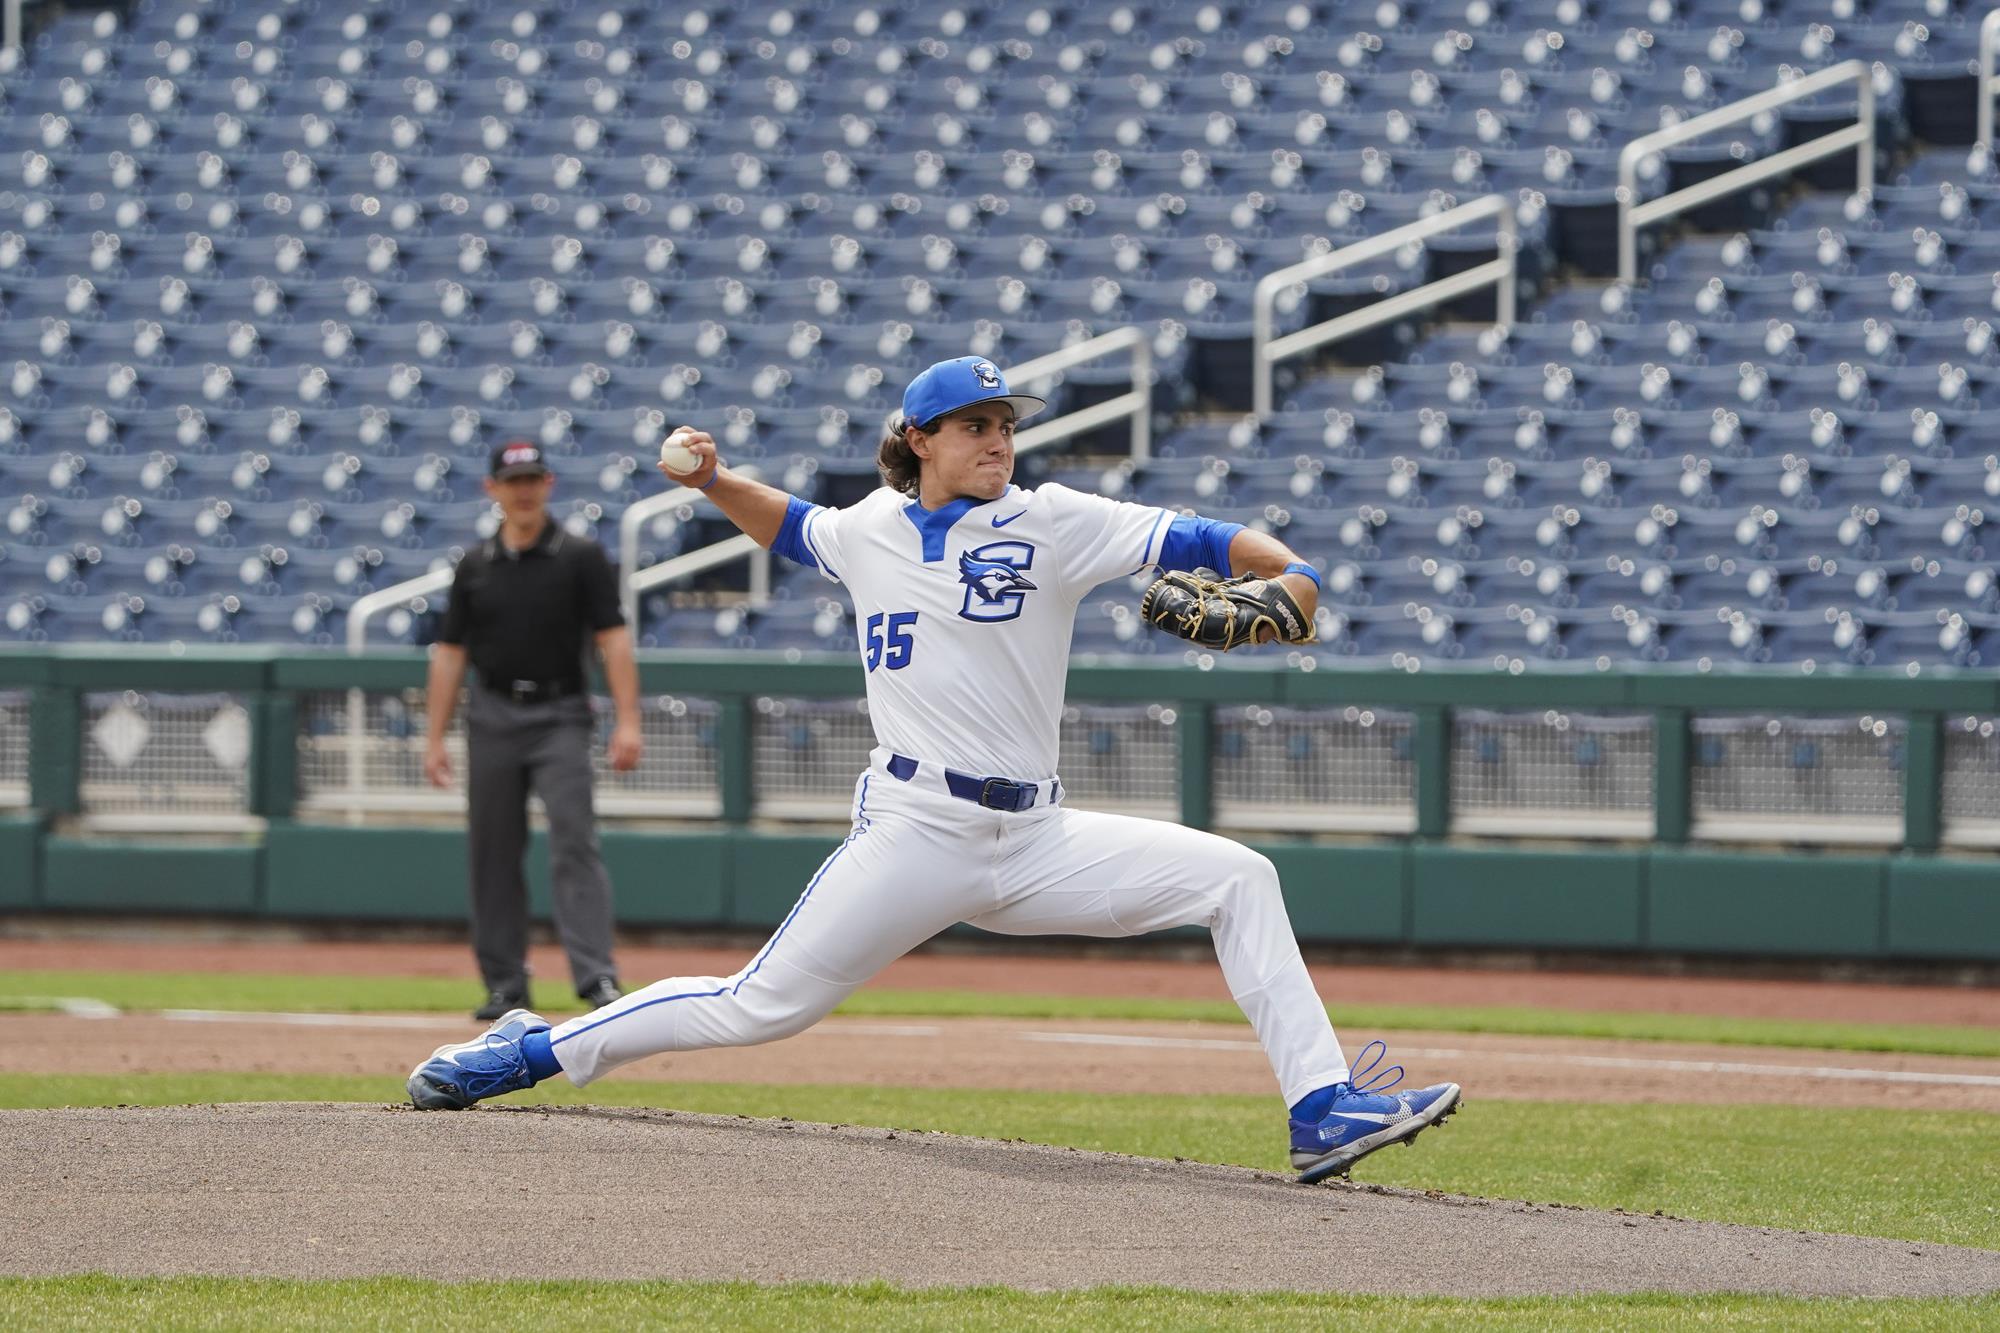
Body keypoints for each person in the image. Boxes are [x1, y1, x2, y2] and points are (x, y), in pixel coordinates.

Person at [409, 360, 1461, 1183]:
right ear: (919, 440)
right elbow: (794, 527)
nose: (998, 439)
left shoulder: (1053, 520)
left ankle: (1320, 1105)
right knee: (758, 1005)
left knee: (1239, 877)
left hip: (1038, 838)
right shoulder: (871, 528)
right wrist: (715, 480)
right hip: (916, 829)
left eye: (1005, 423)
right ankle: (529, 1049)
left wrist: (1296, 574)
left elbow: (1214, 539)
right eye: (974, 425)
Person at [422, 439, 643, 1020]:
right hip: (492, 713)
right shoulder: (475, 564)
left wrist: (628, 720)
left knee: (574, 840)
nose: (523, 491)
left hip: (560, 713)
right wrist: (434, 736)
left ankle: (596, 976)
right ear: (492, 489)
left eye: (533, 480)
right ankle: (504, 983)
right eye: (512, 481)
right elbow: (450, 652)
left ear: (548, 485)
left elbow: (613, 639)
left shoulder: (581, 557)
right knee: (492, 850)